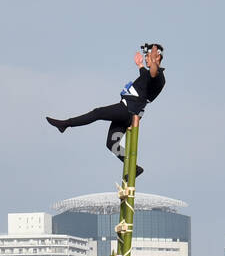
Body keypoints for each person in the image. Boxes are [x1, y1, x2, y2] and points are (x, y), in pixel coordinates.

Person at [45, 44, 164, 174]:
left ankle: (65, 124)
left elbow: (153, 71)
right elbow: (145, 75)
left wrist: (152, 57)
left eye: (148, 56)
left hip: (128, 110)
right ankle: (134, 167)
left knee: (98, 112)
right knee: (111, 144)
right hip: (129, 113)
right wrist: (140, 65)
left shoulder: (158, 75)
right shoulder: (148, 74)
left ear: (157, 56)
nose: (147, 59)